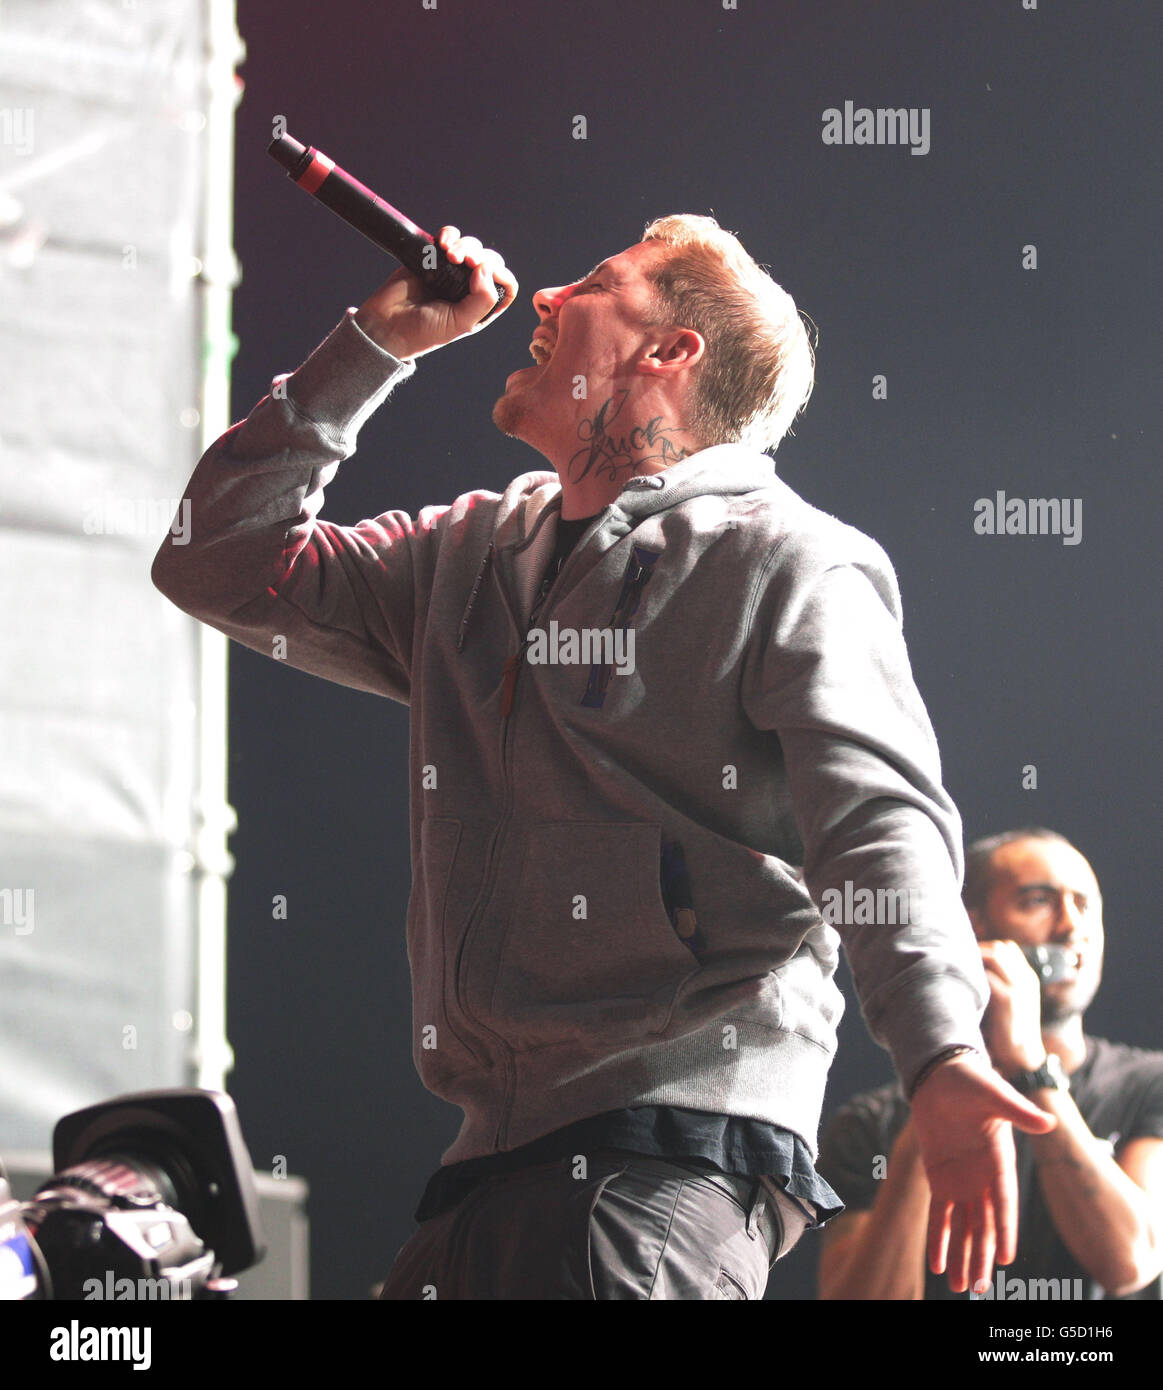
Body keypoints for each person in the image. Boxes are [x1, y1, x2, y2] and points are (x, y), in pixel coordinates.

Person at [152, 215, 1053, 1300]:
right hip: (484, 1165)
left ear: (668, 352)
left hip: (670, 1157)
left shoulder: (787, 558)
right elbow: (216, 562)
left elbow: (876, 824)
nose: (540, 297)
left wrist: (943, 1052)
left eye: (593, 283)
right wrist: (372, 345)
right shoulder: (470, 554)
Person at [817, 827, 1163, 1300]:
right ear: (971, 926)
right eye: (1038, 901)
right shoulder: (871, 1122)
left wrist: (1031, 1067)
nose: (1070, 927)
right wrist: (937, 1093)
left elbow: (1132, 1262)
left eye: (1085, 905)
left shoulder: (1149, 1083)